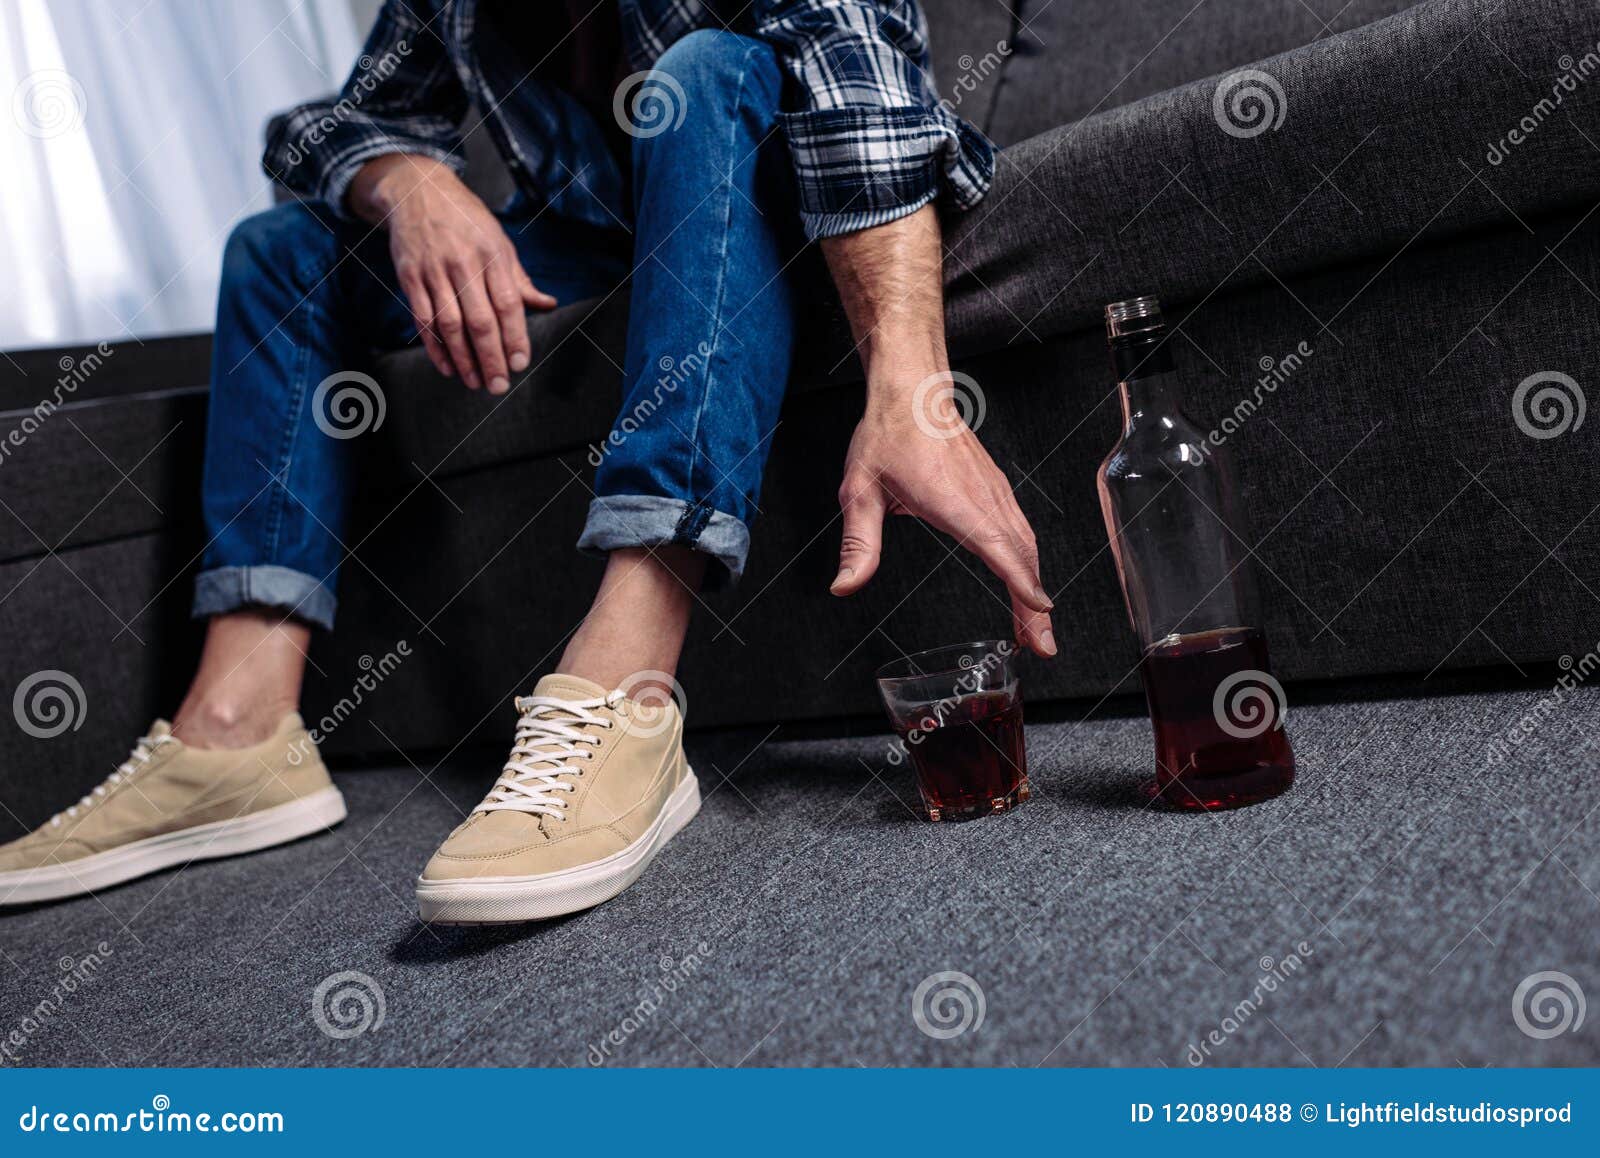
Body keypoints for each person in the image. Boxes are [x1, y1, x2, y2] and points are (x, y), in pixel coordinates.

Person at [0, 0, 1054, 919]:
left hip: (775, 175)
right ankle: (237, 733)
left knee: (706, 74)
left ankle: (624, 692)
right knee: (280, 251)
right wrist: (405, 179)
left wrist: (912, 388)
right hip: (613, 228)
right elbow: (326, 126)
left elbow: (855, 67)